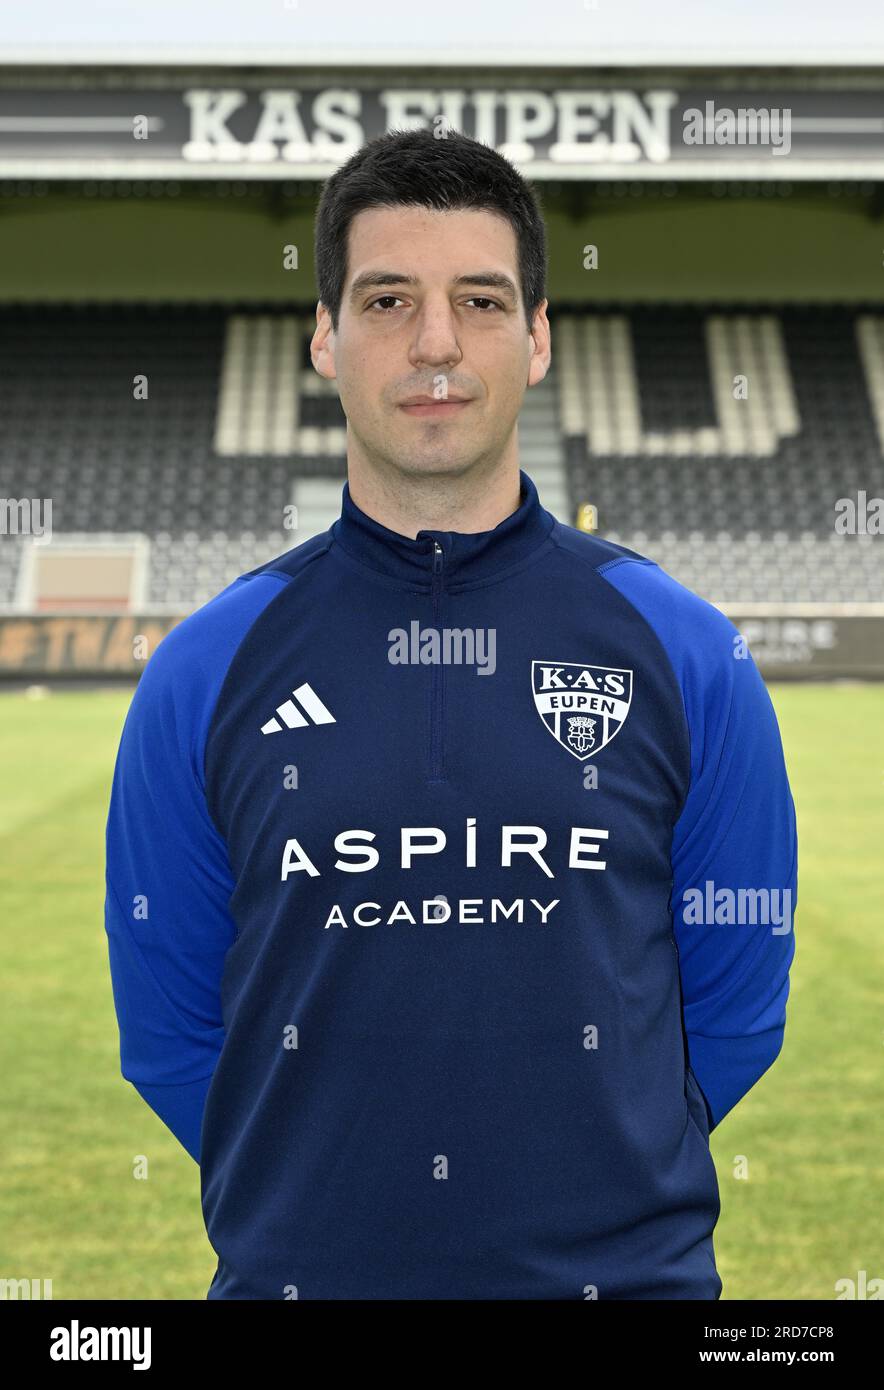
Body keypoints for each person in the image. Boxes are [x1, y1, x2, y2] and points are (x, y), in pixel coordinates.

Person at [104, 127, 797, 1300]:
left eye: (479, 300)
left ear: (535, 336)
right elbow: (172, 1034)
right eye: (386, 300)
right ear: (323, 336)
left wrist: (590, 1194)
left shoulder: (683, 647)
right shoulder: (205, 667)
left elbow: (734, 1007)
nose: (434, 344)